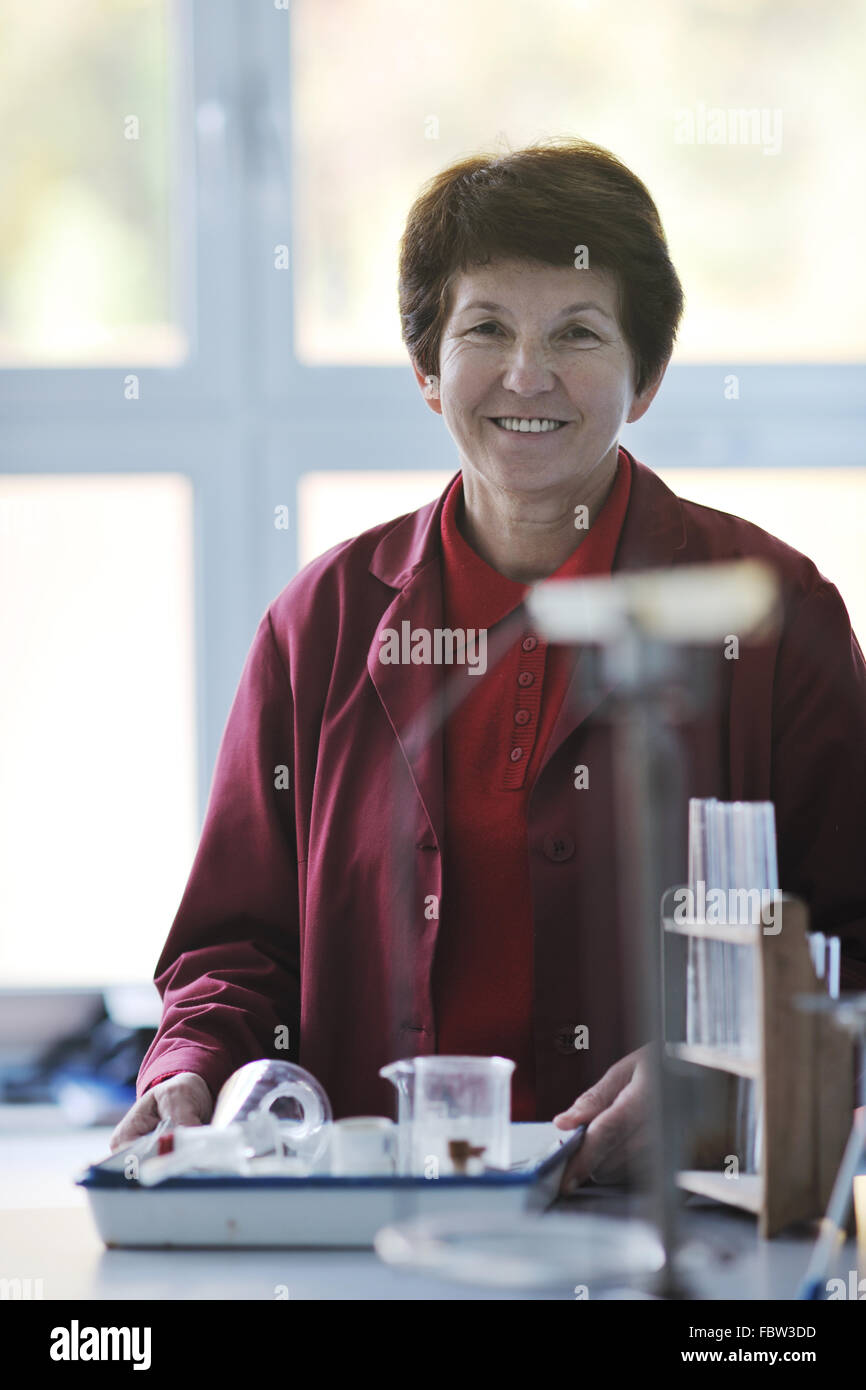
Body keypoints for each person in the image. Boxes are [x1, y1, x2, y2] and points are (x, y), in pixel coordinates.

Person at [110, 138, 866, 1189]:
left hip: (680, 1222)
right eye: (486, 329)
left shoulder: (772, 612)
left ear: (642, 378)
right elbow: (232, 953)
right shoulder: (317, 625)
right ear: (427, 370)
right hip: (378, 1238)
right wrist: (193, 1070)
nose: (526, 373)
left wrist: (724, 1069)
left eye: (576, 332)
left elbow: (852, 946)